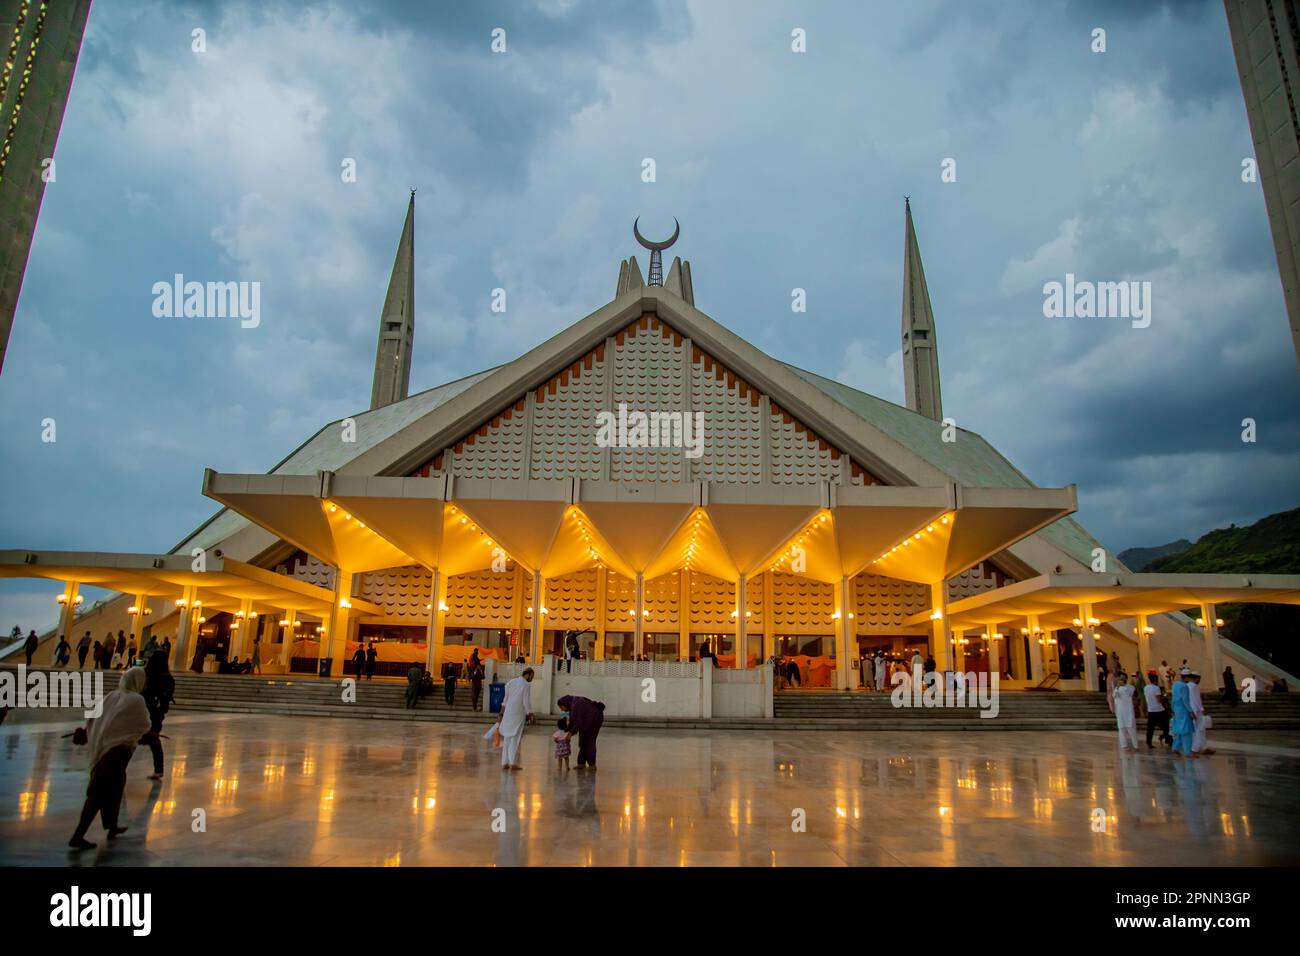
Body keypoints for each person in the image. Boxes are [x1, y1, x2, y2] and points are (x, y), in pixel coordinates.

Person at [68, 667, 151, 849]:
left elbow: (92, 719)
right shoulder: (136, 700)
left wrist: (85, 731)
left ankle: (112, 826)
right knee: (98, 793)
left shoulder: (110, 696)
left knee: (115, 789)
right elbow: (144, 724)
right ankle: (78, 835)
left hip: (103, 748)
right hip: (117, 753)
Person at [140, 649, 174, 781]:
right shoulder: (168, 678)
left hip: (143, 710)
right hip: (156, 713)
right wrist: (161, 712)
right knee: (154, 741)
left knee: (133, 739)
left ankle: (121, 766)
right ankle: (159, 769)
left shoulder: (147, 675)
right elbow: (166, 699)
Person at [556, 693, 605, 770]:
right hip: (587, 720)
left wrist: (570, 733)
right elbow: (573, 721)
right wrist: (566, 731)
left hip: (594, 719)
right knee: (582, 741)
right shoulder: (573, 704)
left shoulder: (577, 704)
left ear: (565, 703)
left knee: (589, 741)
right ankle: (581, 763)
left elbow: (578, 722)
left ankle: (592, 765)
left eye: (561, 707)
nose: (562, 710)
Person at [499, 668, 535, 770]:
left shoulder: (510, 682)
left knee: (507, 738)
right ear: (527, 675)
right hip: (518, 714)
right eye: (532, 676)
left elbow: (505, 700)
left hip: (508, 713)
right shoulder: (526, 685)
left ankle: (504, 762)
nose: (532, 678)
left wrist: (501, 713)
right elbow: (526, 701)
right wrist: (530, 713)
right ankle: (513, 763)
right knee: (515, 738)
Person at [1170, 669, 1197, 758]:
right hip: (1183, 710)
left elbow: (1173, 699)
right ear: (1188, 677)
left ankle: (1175, 747)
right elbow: (1185, 700)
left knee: (1179, 730)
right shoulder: (1184, 686)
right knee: (1187, 731)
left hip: (1177, 710)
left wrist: (1173, 709)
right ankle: (1188, 752)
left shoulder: (1175, 684)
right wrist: (1191, 711)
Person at [1144, 672, 1172, 748]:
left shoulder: (1146, 688)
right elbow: (1159, 700)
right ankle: (1169, 740)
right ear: (1156, 680)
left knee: (1150, 727)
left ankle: (1148, 742)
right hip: (1159, 710)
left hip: (1150, 710)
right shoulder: (1156, 688)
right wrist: (1164, 696)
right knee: (1166, 726)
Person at [1189, 671, 1214, 755]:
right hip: (1196, 711)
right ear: (1196, 678)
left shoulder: (1187, 685)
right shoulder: (1194, 686)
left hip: (1191, 710)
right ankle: (1196, 749)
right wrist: (1202, 709)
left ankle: (1202, 747)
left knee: (1197, 730)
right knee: (1199, 729)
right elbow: (1196, 700)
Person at [1113, 672, 1138, 751]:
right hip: (1120, 712)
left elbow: (1129, 693)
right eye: (1120, 678)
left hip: (1128, 711)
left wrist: (1123, 686)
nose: (1122, 680)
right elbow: (1115, 696)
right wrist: (1117, 688)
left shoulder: (1130, 687)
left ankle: (1135, 745)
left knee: (1131, 728)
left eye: (1123, 678)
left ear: (1126, 679)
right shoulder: (1117, 688)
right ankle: (1124, 745)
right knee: (1121, 728)